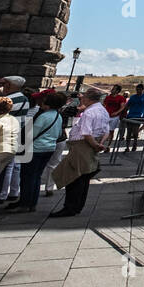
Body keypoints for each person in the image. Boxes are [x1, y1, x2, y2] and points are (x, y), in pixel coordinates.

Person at [51, 88, 111, 217]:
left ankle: (70, 207)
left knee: (74, 177)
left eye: (83, 97)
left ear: (89, 98)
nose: (81, 99)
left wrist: (95, 145)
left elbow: (86, 133)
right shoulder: (103, 111)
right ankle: (78, 206)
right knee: (84, 177)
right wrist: (100, 143)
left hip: (83, 146)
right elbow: (106, 130)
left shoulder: (89, 112)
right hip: (92, 144)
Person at [10, 93, 66, 213]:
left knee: (27, 176)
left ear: (48, 104)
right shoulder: (58, 116)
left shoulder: (44, 116)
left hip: (35, 149)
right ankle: (31, 202)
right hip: (49, 148)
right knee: (36, 176)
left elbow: (32, 134)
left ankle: (25, 202)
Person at [123, 84, 144, 151]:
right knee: (128, 132)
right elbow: (127, 105)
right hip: (130, 116)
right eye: (137, 89)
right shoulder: (132, 97)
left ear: (143, 90)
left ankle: (135, 144)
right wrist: (124, 113)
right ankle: (127, 147)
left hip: (139, 116)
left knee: (135, 132)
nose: (138, 91)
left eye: (140, 90)